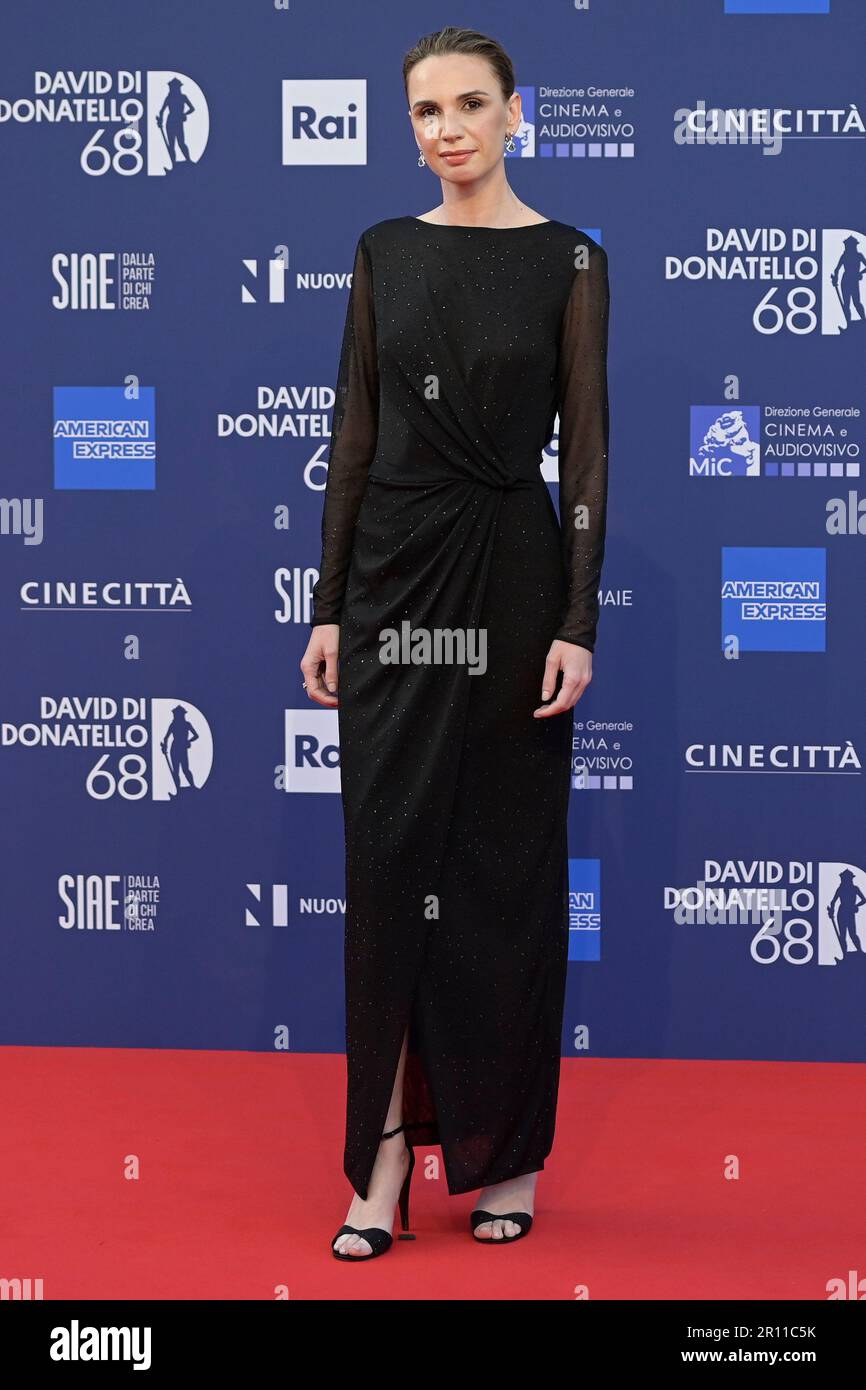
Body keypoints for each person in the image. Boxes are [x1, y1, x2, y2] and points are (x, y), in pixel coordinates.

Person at [300, 25, 611, 1259]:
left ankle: (503, 1157)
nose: (446, 129)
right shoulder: (382, 250)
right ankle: (377, 1163)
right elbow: (354, 441)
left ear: (514, 113)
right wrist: (328, 606)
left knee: (502, 879)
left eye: (468, 105)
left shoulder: (569, 261)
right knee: (386, 880)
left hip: (513, 587)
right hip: (392, 589)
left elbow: (583, 454)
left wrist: (576, 620)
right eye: (424, 111)